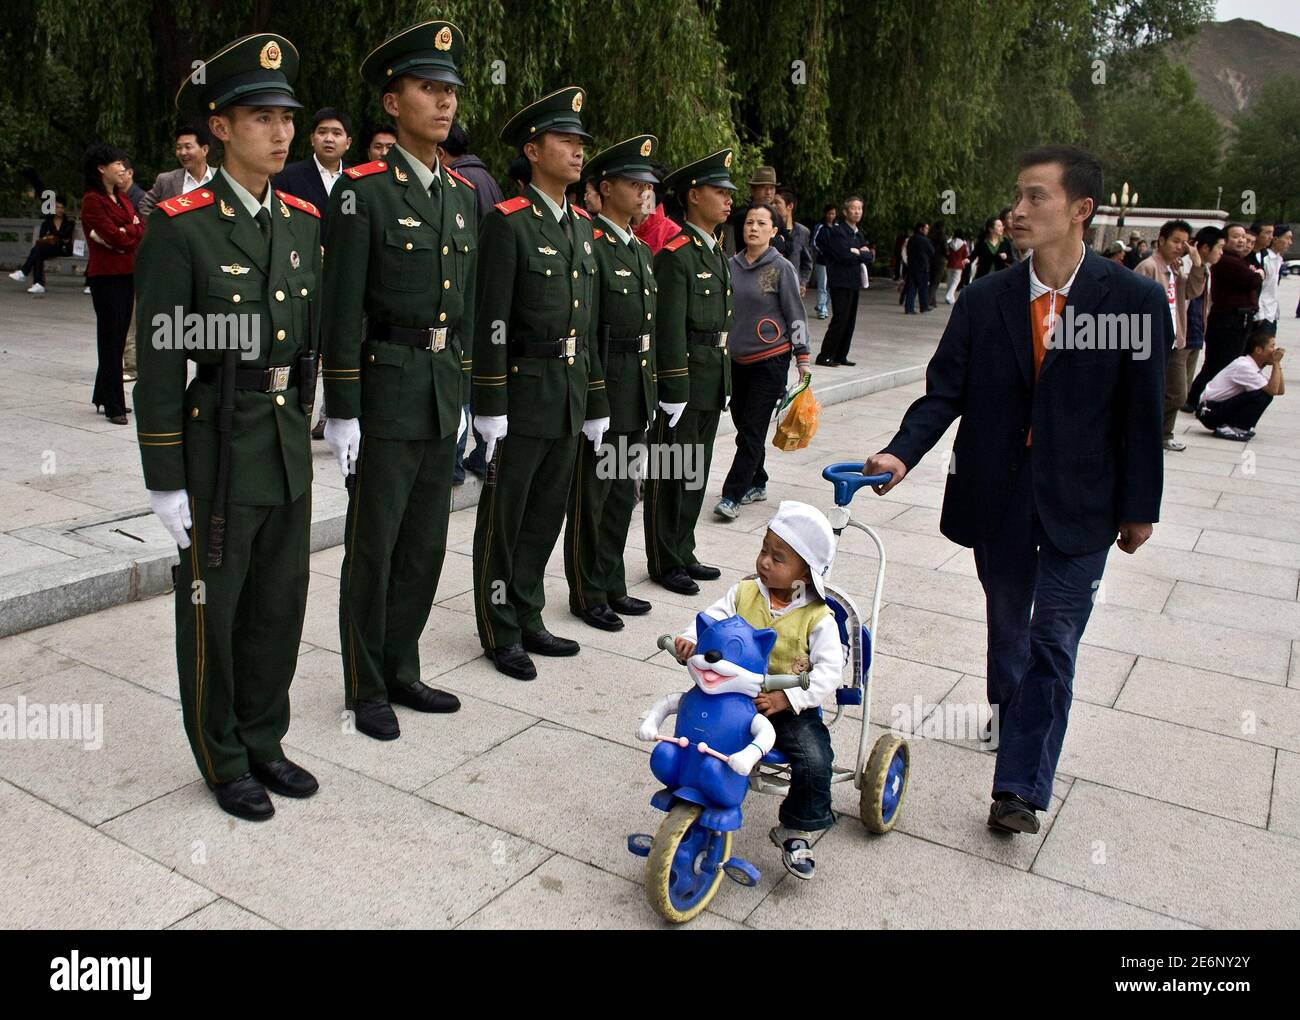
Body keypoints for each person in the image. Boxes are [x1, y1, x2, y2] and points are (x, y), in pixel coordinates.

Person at [865, 145, 1166, 835]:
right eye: (1018, 197)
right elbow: (944, 394)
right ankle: (1014, 711)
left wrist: (1139, 506)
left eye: (1037, 198)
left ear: (1081, 211)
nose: (1018, 210)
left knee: (1054, 638)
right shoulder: (985, 299)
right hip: (998, 494)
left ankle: (1020, 789)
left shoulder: (1133, 301)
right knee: (1009, 632)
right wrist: (900, 453)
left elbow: (1142, 414)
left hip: (1083, 501)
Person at [134, 32, 321, 821]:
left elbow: (306, 335)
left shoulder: (304, 219)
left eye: (287, 117)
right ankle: (222, 754)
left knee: (281, 599)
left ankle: (264, 736)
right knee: (216, 602)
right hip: (216, 446)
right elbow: (159, 361)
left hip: (282, 443)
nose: (280, 132)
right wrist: (165, 478)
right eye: (259, 117)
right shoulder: (183, 226)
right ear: (219, 127)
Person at [319, 21, 475, 738]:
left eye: (449, 92)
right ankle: (365, 682)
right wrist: (342, 409)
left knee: (426, 541)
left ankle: (403, 664)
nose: (442, 104)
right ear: (392, 102)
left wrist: (469, 391)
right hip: (383, 387)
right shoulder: (362, 193)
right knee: (375, 542)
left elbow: (467, 306)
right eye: (427, 90)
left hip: (441, 388)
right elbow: (342, 307)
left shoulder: (460, 192)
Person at [471, 86, 608, 681]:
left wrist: (596, 401)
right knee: (507, 513)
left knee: (547, 511)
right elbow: (490, 319)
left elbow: (590, 321)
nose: (578, 153)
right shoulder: (509, 223)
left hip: (569, 390)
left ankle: (528, 611)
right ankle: (499, 626)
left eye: (581, 143)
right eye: (566, 141)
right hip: (524, 390)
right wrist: (489, 402)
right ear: (533, 150)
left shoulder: (582, 226)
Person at [668, 501, 840, 879]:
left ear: (805, 574)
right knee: (689, 725)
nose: (764, 562)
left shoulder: (818, 618)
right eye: (764, 550)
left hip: (786, 705)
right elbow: (711, 619)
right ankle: (686, 787)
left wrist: (789, 698)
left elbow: (830, 671)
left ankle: (796, 829)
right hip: (732, 695)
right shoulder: (745, 593)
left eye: (777, 558)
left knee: (813, 758)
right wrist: (688, 638)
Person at [563, 134, 661, 632]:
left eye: (647, 185)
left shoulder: (641, 251)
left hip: (636, 386)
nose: (644, 193)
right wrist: (595, 397)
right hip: (605, 383)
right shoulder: (594, 245)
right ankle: (587, 590)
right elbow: (588, 331)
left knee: (623, 491)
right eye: (634, 183)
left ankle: (612, 579)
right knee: (593, 495)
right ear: (605, 188)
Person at [642, 149, 735, 598]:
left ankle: (683, 547)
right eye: (720, 192)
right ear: (694, 195)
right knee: (671, 470)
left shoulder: (715, 251)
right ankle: (663, 557)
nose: (728, 200)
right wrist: (672, 385)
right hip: (684, 380)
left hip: (711, 377)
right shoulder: (677, 254)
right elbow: (668, 327)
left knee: (696, 471)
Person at [716, 201, 809, 521]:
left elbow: (796, 314)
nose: (753, 228)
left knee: (753, 429)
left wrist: (803, 359)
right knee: (744, 427)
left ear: (773, 230)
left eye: (761, 223)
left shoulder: (780, 268)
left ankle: (732, 494)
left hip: (770, 361)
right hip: (735, 360)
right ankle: (758, 480)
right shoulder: (730, 265)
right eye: (748, 223)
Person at [439, 119, 504, 484]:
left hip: (466, 298)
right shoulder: (488, 180)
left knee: (464, 384)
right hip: (480, 299)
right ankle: (482, 454)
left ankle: (456, 462)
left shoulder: (461, 185)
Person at [81, 143, 141, 424]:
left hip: (126, 272)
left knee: (118, 336)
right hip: (105, 276)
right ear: (101, 168)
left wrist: (125, 232)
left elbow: (137, 230)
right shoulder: (92, 200)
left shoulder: (123, 198)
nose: (122, 168)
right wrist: (125, 233)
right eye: (116, 163)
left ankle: (102, 394)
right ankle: (114, 405)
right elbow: (111, 236)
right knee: (109, 336)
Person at [1134, 219, 1205, 452]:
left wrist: (1196, 265)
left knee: (1174, 391)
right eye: (1176, 241)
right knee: (1176, 393)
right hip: (1154, 340)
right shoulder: (1149, 267)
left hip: (1175, 338)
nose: (1180, 247)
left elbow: (1194, 292)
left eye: (1184, 243)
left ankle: (1163, 433)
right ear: (1161, 240)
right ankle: (1151, 432)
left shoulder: (1176, 269)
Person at [1186, 223, 1264, 408]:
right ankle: (1194, 399)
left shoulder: (1238, 260)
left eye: (1244, 237)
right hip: (1227, 320)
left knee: (1221, 363)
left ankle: (1199, 398)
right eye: (1236, 237)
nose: (1242, 241)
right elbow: (1251, 280)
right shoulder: (1228, 261)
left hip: (1238, 320)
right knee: (1218, 364)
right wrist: (1258, 273)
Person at [273, 106, 353, 246]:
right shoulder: (288, 176)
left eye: (337, 133)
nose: (329, 139)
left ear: (348, 143)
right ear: (312, 139)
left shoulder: (356, 179)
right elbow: (279, 225)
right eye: (322, 132)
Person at [814, 195, 873, 366]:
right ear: (846, 211)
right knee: (840, 319)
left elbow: (869, 256)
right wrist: (857, 254)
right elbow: (844, 256)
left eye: (860, 208)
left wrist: (859, 253)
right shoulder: (838, 232)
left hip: (854, 282)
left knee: (850, 320)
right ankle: (825, 355)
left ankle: (841, 355)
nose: (857, 212)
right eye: (853, 208)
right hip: (840, 281)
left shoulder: (858, 234)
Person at [1197, 326, 1284, 440]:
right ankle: (1231, 428)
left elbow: (1279, 391)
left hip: (1215, 408)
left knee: (1265, 393)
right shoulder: (1245, 366)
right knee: (1262, 394)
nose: (1275, 350)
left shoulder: (1252, 365)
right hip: (1209, 411)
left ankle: (1235, 426)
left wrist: (1278, 364)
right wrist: (1276, 363)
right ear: (1258, 350)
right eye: (1272, 346)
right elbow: (1272, 390)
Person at [1180, 225, 1224, 412]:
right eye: (1219, 247)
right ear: (1205, 247)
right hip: (1183, 333)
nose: (1221, 252)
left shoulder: (1207, 269)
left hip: (1196, 333)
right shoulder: (1183, 266)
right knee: (1176, 391)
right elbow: (1190, 294)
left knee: (1184, 388)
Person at [137, 125, 216, 218]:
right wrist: (162, 226)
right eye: (179, 148)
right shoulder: (166, 180)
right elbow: (144, 205)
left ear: (204, 150)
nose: (182, 152)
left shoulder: (223, 177)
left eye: (188, 147)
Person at [9, 195, 75, 294]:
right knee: (38, 252)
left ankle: (25, 273)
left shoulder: (69, 222)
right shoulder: (47, 222)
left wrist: (52, 236)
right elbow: (42, 236)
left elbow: (65, 235)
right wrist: (53, 237)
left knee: (37, 250)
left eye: (62, 207)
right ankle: (38, 285)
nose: (60, 210)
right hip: (49, 248)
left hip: (63, 249)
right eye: (57, 207)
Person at [773, 188, 812, 297]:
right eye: (772, 203)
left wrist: (803, 282)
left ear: (789, 206)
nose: (773, 206)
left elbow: (807, 261)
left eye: (777, 202)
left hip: (793, 286)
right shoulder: (769, 230)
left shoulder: (802, 232)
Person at [1254, 223, 1290, 337]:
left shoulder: (1278, 259)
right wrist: (1259, 314)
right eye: (1287, 238)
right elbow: (1259, 288)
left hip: (1271, 314)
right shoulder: (1264, 259)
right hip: (1262, 315)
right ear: (1275, 239)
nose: (1290, 242)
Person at [810, 204, 836, 319]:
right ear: (825, 214)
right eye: (829, 213)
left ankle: (823, 306)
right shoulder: (820, 227)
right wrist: (823, 252)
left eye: (833, 214)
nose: (831, 216)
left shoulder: (837, 227)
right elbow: (814, 242)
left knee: (831, 286)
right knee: (822, 286)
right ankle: (821, 309)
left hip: (834, 262)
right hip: (823, 261)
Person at [903, 221, 933, 314]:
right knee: (923, 288)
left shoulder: (911, 239)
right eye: (926, 228)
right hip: (922, 267)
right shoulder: (925, 240)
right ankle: (923, 306)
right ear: (921, 229)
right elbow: (932, 251)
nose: (927, 230)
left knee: (911, 288)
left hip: (912, 266)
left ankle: (909, 308)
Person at [944, 230, 968, 304]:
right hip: (958, 265)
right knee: (955, 282)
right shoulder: (963, 244)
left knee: (949, 281)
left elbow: (947, 253)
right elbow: (965, 255)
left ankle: (950, 298)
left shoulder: (950, 243)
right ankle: (949, 296)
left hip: (950, 264)